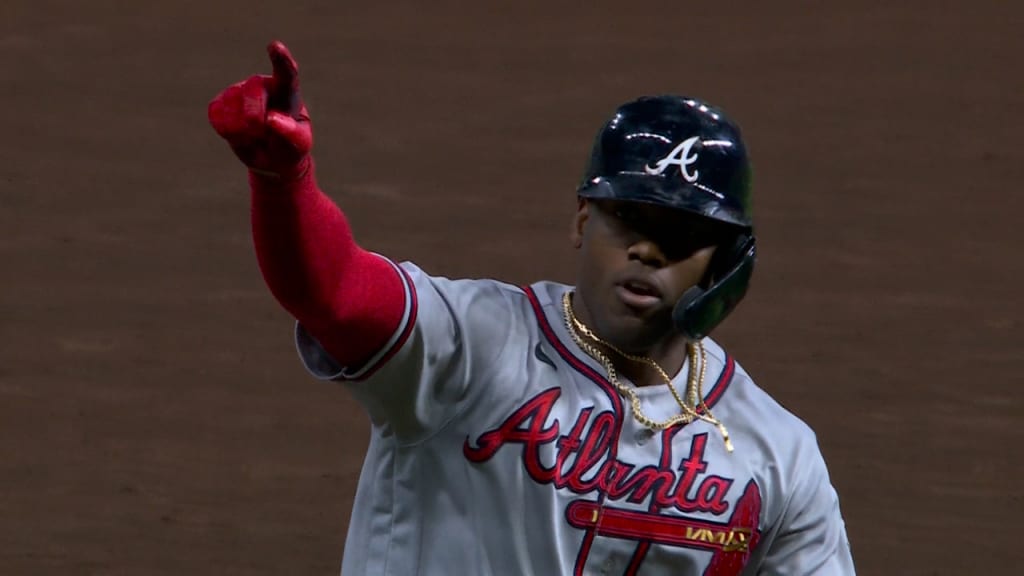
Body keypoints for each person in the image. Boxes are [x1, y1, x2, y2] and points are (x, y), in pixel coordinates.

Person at [208, 40, 856, 576]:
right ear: (581, 220)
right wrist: (283, 185)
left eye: (683, 233)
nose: (648, 249)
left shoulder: (778, 454)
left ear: (727, 263)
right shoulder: (476, 346)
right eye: (627, 218)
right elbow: (337, 296)